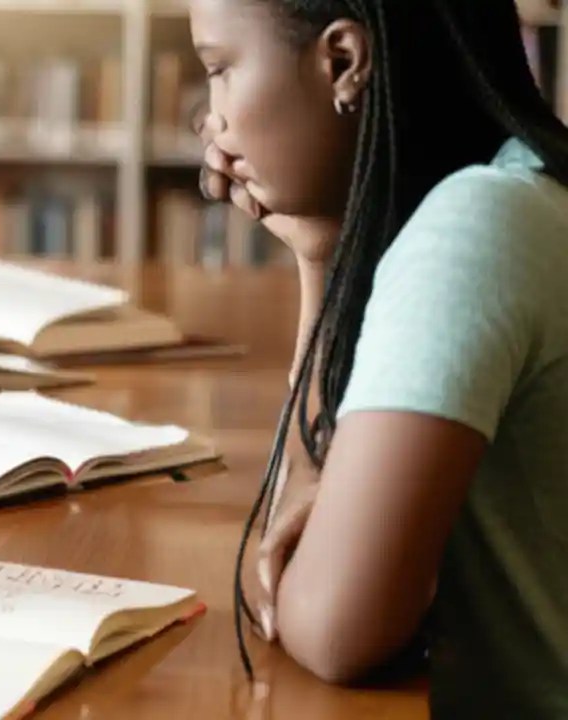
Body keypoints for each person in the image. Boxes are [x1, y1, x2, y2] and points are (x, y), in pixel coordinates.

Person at [188, 0, 568, 717]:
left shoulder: (476, 231)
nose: (213, 122)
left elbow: (333, 629)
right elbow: (300, 542)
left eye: (219, 69)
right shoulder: (516, 188)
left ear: (343, 61)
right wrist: (320, 257)